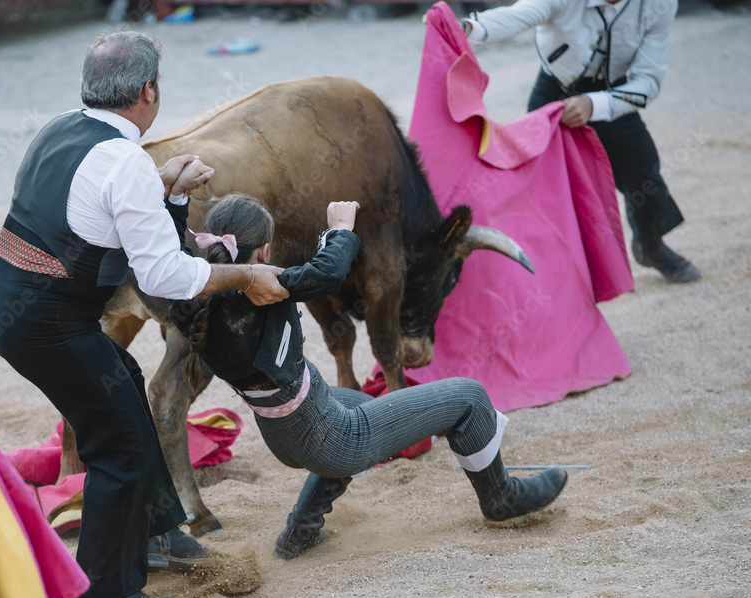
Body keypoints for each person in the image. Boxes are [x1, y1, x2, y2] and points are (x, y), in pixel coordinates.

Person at [0, 31, 288, 598]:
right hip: (47, 321)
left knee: (122, 387)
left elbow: (97, 215)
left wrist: (166, 193)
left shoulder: (61, 128)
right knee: (118, 443)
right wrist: (245, 275)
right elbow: (165, 277)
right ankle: (107, 588)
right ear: (149, 90)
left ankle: (159, 531)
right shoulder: (126, 161)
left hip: (6, 298)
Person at [170, 194, 569, 560]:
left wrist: (175, 199)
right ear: (265, 250)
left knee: (361, 404)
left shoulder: (190, 303)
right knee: (470, 397)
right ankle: (503, 500)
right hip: (326, 435)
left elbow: (164, 257)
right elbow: (327, 273)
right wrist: (340, 228)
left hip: (284, 431)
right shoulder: (263, 288)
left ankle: (300, 533)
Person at [456, 0, 700, 284]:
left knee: (645, 175)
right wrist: (467, 28)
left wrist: (593, 104)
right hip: (554, 90)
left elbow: (648, 80)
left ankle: (650, 245)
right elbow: (515, 16)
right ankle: (550, 273)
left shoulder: (659, 4)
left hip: (613, 96)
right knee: (541, 188)